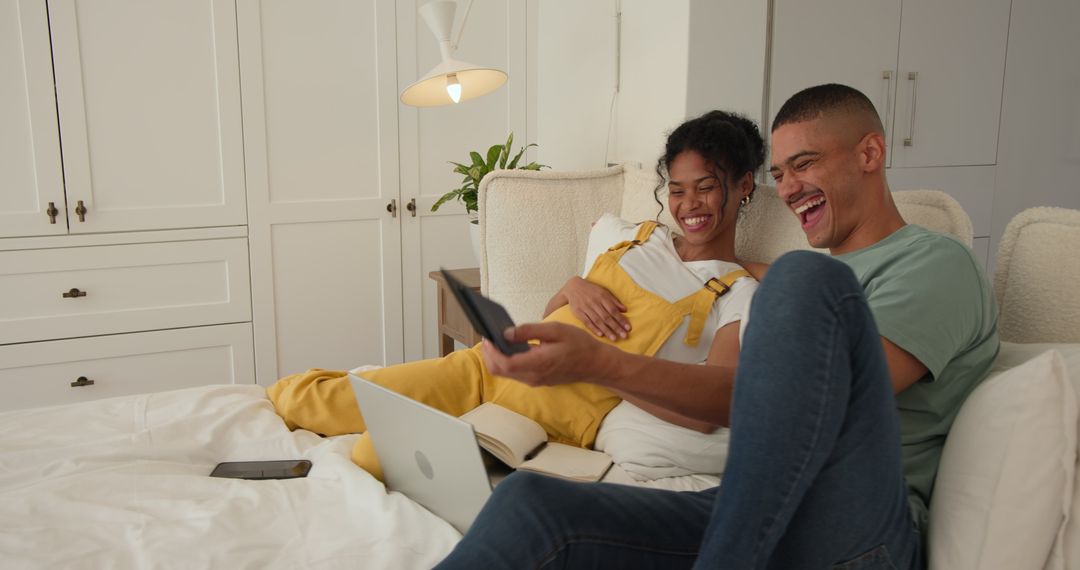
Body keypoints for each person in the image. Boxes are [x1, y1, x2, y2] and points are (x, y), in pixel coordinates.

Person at [435, 84, 999, 569]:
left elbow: (808, 402)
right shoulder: (781, 282)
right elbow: (758, 396)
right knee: (531, 502)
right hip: (756, 508)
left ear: (870, 152)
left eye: (804, 164)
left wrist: (599, 362)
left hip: (860, 528)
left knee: (801, 278)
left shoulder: (933, 262)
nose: (790, 188)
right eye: (780, 173)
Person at [267, 110, 766, 484]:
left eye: (705, 187)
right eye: (677, 190)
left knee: (373, 456)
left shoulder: (738, 292)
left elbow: (714, 406)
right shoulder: (639, 237)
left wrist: (598, 366)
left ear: (744, 185)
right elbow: (555, 316)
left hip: (539, 421)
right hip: (488, 368)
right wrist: (572, 287)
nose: (689, 204)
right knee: (304, 398)